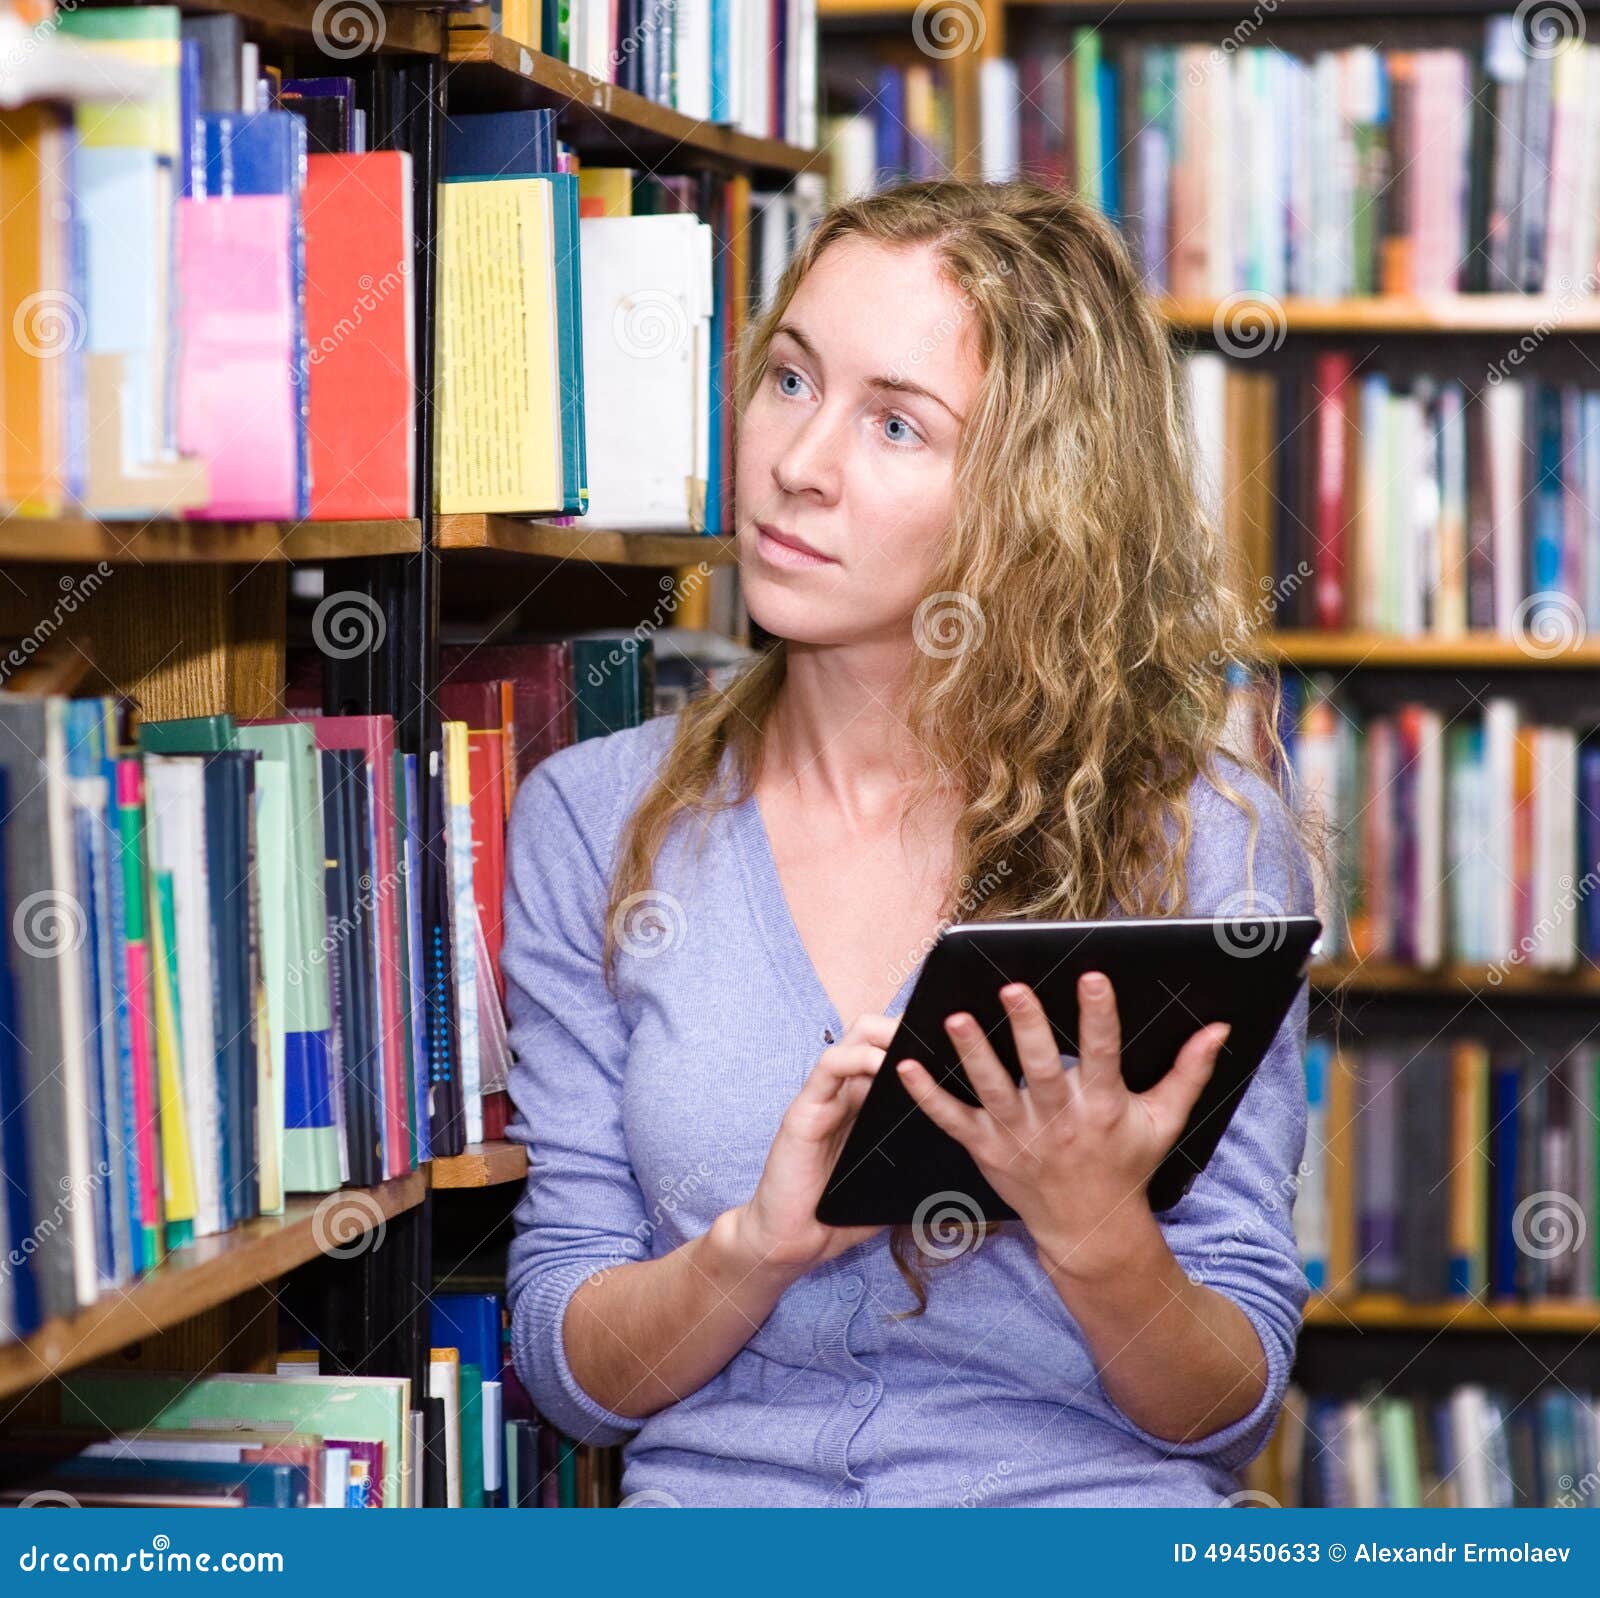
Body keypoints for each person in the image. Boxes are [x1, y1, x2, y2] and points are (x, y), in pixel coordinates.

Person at [501, 177, 1320, 1508]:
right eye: (787, 378)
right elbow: (568, 1361)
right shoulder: (592, 816)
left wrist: (1095, 1226)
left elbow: (1226, 1407)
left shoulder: (1199, 835)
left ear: (1028, 500)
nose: (799, 461)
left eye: (895, 422)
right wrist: (754, 1248)